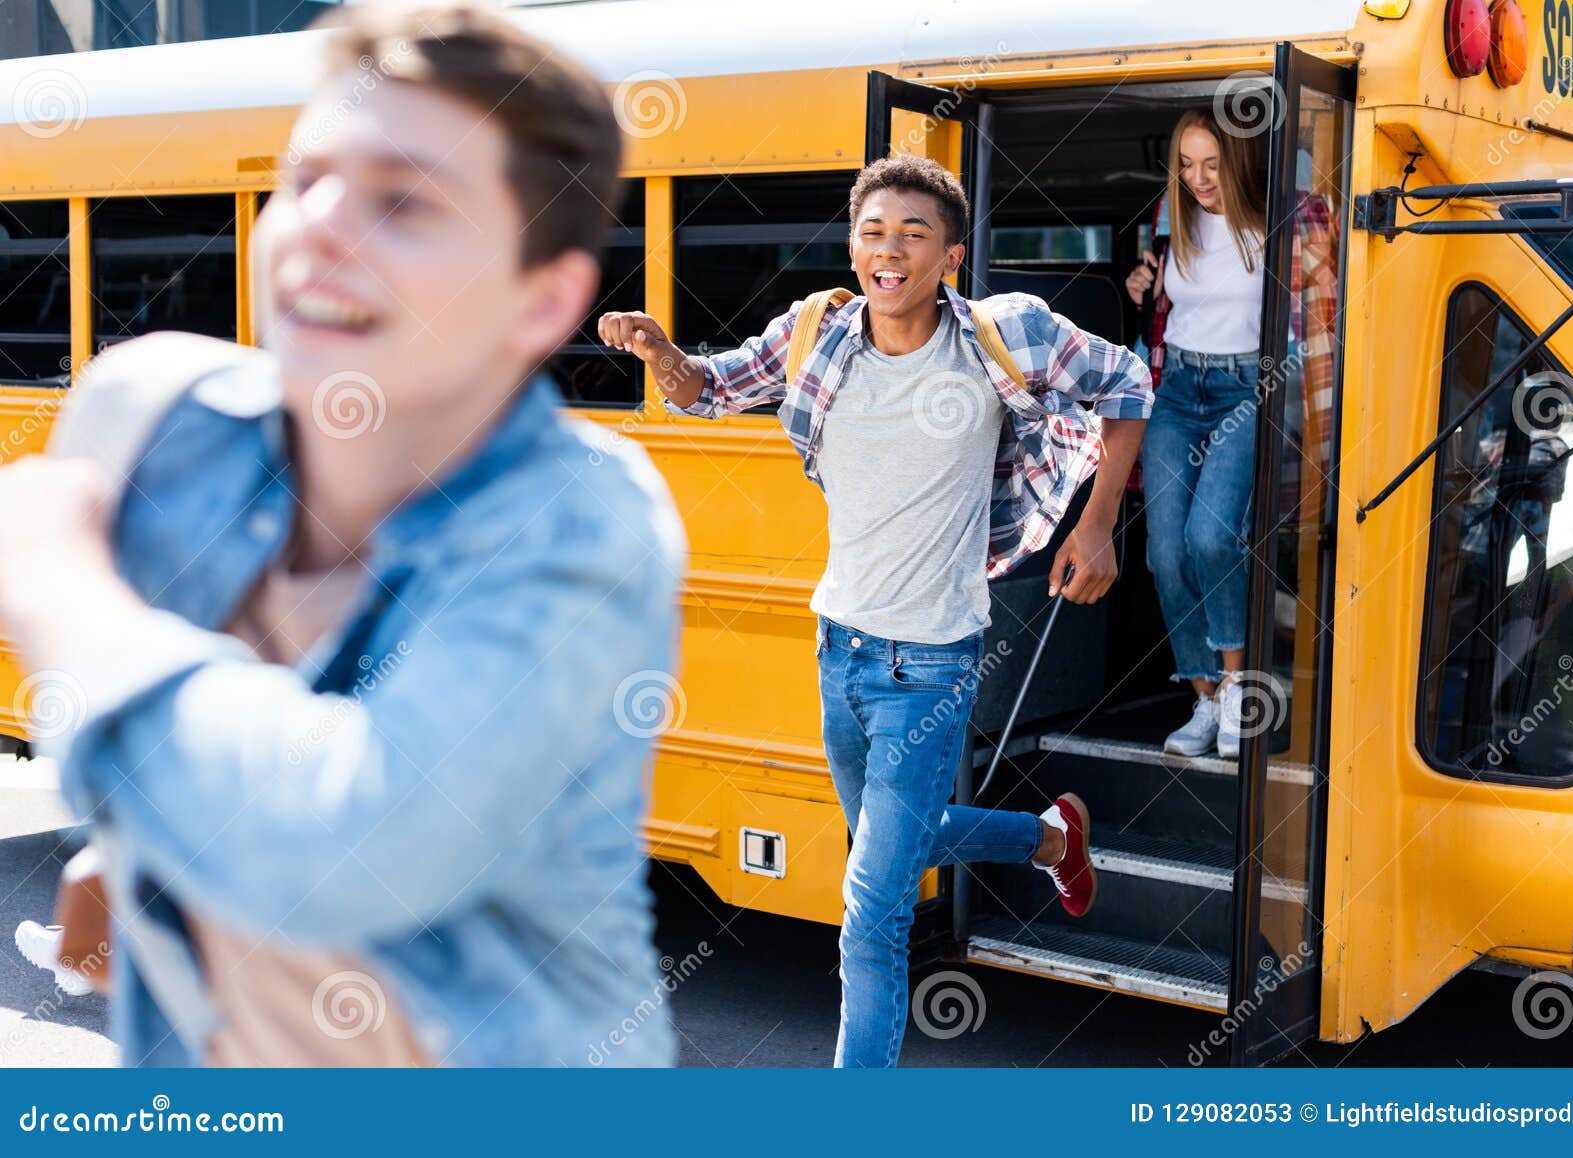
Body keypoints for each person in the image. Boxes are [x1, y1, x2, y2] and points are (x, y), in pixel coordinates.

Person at [0, 2, 683, 1067]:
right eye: (303, 177)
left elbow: (349, 846)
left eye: (403, 200)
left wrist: (60, 590)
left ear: (542, 301)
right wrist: (142, 858)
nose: (319, 222)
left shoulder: (581, 520)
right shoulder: (158, 426)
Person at [600, 154, 1152, 1067]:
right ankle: (1053, 838)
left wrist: (1097, 529)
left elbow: (1129, 384)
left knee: (872, 910)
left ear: (951, 255)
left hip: (931, 663)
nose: (888, 252)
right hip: (839, 649)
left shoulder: (1007, 333)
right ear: (854, 245)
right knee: (901, 841)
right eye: (872, 231)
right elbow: (711, 388)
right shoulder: (817, 328)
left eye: (914, 234)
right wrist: (662, 353)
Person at [1126, 108, 1267, 759]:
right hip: (1176, 391)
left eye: (1210, 163)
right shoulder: (1169, 220)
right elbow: (1158, 302)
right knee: (1164, 553)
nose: (1198, 177)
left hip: (1244, 391)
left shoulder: (1274, 227)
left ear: (1236, 159)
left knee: (1212, 539)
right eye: (1186, 164)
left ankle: (1240, 688)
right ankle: (1205, 699)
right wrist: (1139, 288)